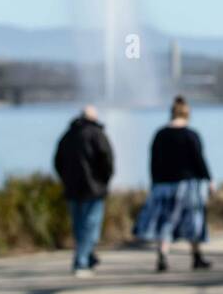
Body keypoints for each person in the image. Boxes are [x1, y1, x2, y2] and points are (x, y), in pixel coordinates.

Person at [133, 96, 213, 272]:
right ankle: (196, 255)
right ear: (187, 114)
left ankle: (163, 253)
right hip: (187, 185)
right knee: (193, 220)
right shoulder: (191, 135)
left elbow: (153, 162)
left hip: (163, 184)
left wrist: (154, 182)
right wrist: (209, 180)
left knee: (166, 221)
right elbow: (199, 161)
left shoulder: (160, 135)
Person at [53, 105, 115, 278]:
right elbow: (108, 161)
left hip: (73, 189)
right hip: (93, 189)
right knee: (90, 227)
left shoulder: (68, 135)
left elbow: (58, 162)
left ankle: (87, 257)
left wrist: (65, 179)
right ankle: (81, 262)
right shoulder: (97, 135)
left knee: (79, 227)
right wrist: (104, 181)